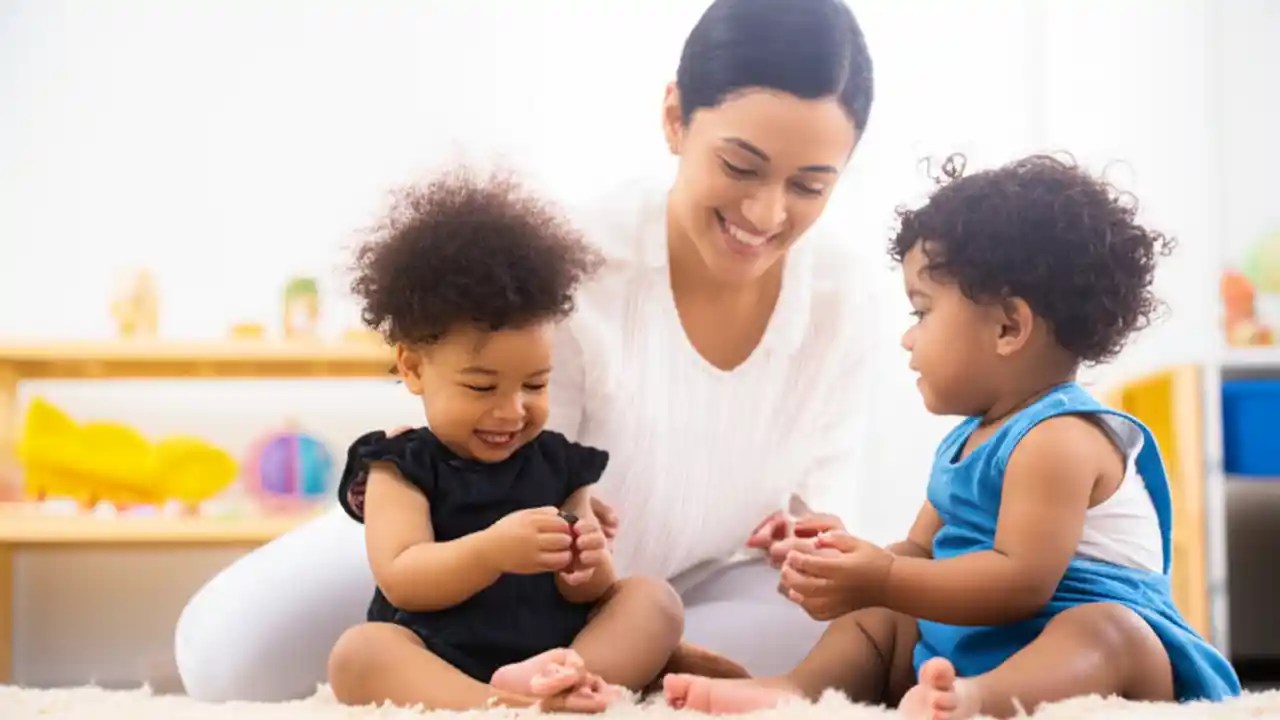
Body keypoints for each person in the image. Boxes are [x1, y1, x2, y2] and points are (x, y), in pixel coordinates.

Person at [174, 0, 881, 701]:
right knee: (228, 654)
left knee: (841, 634)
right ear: (674, 118)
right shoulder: (569, 266)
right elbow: (498, 464)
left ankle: (591, 670)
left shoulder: (840, 294)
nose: (766, 213)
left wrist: (811, 538)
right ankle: (581, 674)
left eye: (809, 185)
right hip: (461, 553)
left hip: (663, 585)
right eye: (740, 165)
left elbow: (819, 501)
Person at [661, 154, 1244, 718]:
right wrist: (847, 564)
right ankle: (798, 690)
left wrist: (885, 578)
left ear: (1009, 327)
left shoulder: (1060, 438)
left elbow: (1020, 584)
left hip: (1095, 648)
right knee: (882, 616)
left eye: (922, 312)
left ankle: (978, 702)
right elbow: (917, 555)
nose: (908, 340)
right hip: (990, 637)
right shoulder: (969, 439)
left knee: (1107, 632)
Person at [325, 170, 684, 711]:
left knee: (653, 601)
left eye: (536, 384)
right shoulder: (399, 466)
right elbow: (402, 578)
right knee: (359, 653)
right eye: (481, 386)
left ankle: (572, 684)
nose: (512, 410)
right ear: (414, 367)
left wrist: (588, 565)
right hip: (441, 658)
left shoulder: (559, 465)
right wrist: (492, 550)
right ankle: (502, 706)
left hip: (556, 650)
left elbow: (587, 592)